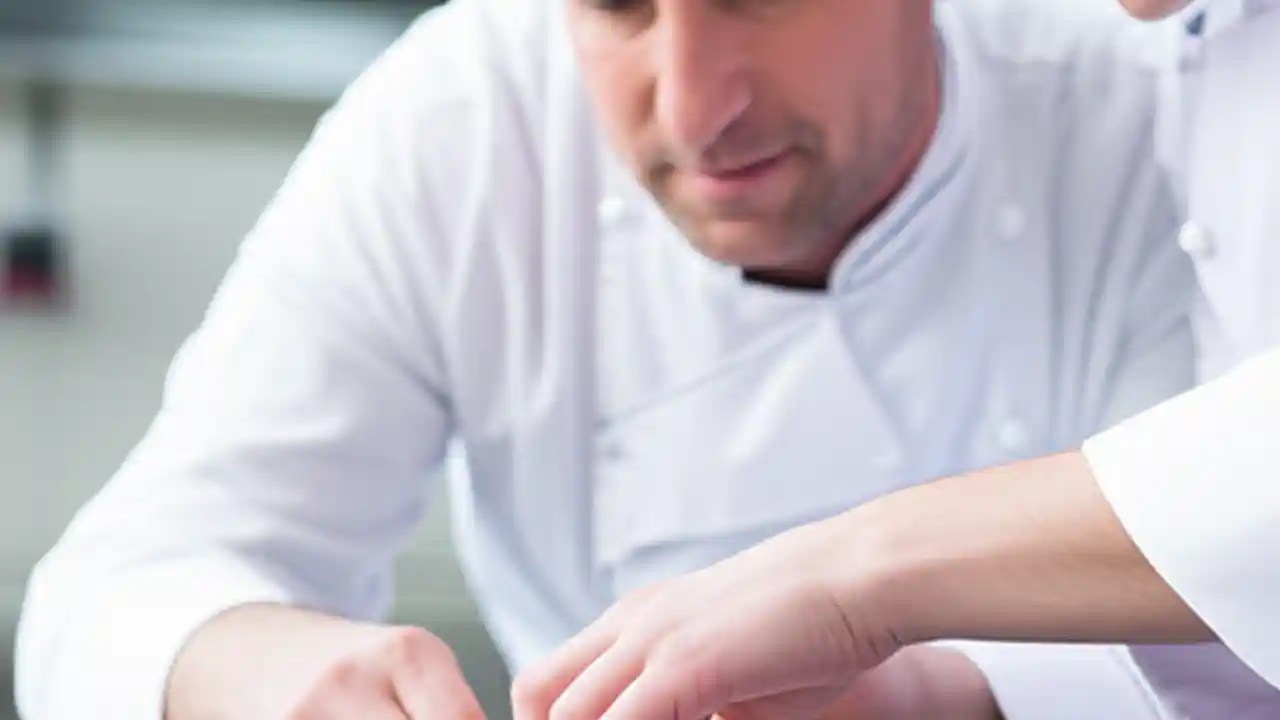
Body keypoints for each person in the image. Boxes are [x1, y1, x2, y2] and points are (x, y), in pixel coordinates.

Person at [14, 0, 1195, 718]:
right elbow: (102, 597)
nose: (692, 110)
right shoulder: (461, 123)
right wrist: (253, 669)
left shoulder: (1146, 104)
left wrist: (956, 696)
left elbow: (1234, 594)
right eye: (615, 6)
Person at [512, 1, 1280, 718]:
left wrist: (860, 574)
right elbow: (1245, 595)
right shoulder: (1202, 43)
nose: (692, 116)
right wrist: (937, 689)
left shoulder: (1100, 83)